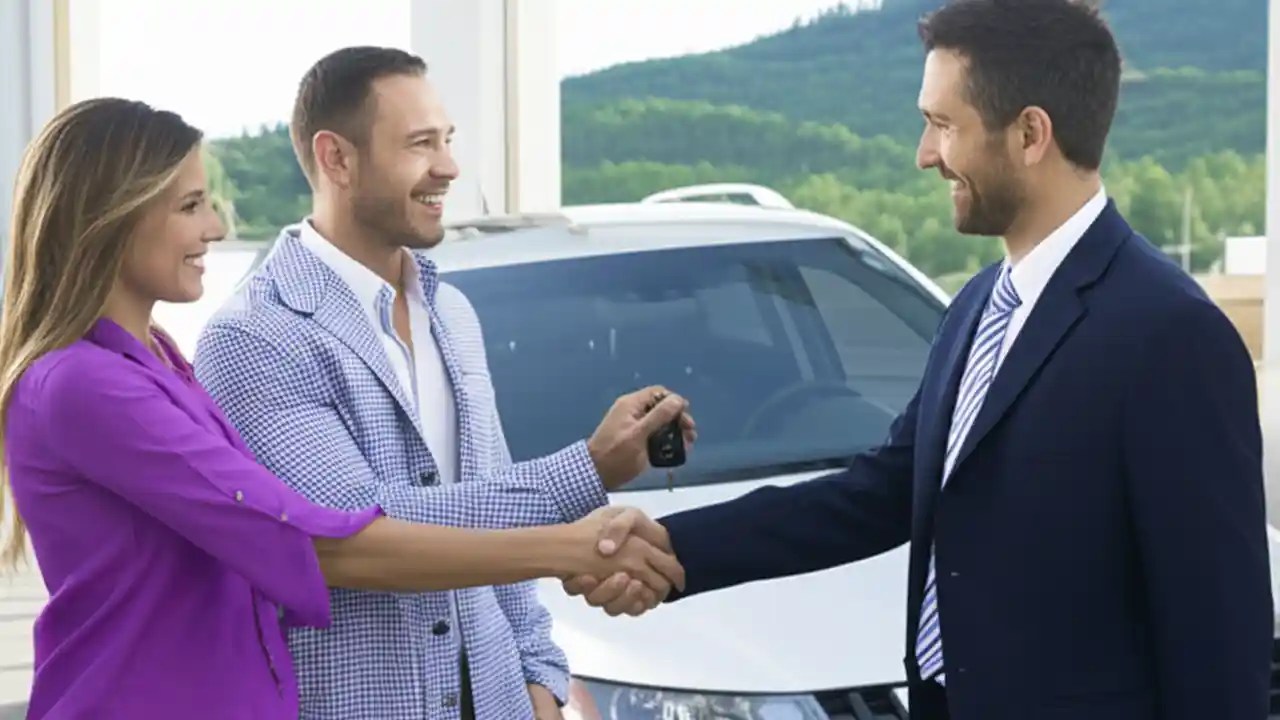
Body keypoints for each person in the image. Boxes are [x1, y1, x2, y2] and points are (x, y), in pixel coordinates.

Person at [567, 1, 1274, 718]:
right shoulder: (975, 308)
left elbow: (1219, 634)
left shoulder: (1171, 335)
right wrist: (672, 547)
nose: (925, 154)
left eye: (943, 124)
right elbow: (881, 492)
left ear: (1030, 133)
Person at [0, 96, 688, 720]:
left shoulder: (155, 362)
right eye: (189, 206)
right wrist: (572, 545)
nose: (215, 225)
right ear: (110, 217)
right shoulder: (84, 385)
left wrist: (535, 656)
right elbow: (313, 539)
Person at [191, 46, 690, 720]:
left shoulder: (451, 313)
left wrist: (539, 681)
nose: (449, 167)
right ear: (337, 158)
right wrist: (588, 469)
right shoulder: (256, 336)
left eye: (448, 140)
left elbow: (493, 497)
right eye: (421, 144)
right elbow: (358, 536)